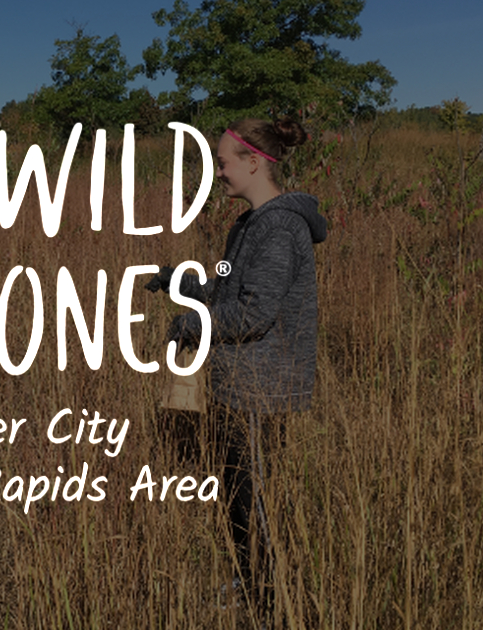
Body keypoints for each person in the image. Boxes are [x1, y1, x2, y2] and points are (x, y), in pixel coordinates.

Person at [147, 117, 327, 608]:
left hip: (262, 384)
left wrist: (189, 325)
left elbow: (253, 311)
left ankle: (268, 597)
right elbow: (225, 289)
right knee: (238, 488)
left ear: (253, 162)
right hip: (239, 380)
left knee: (253, 494)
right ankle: (250, 583)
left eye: (223, 162)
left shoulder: (281, 229)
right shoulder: (247, 226)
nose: (218, 172)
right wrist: (178, 283)